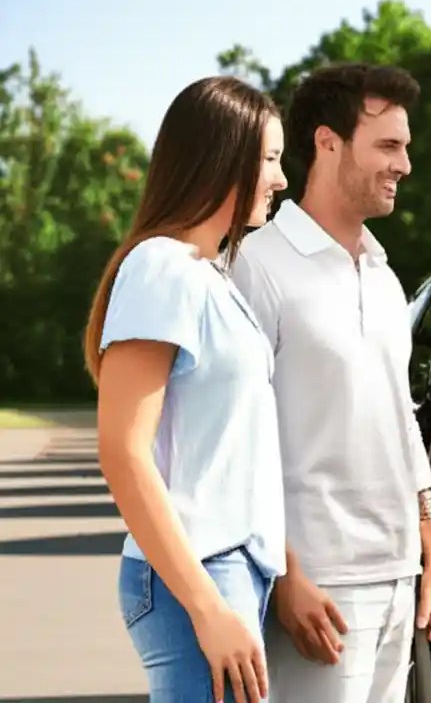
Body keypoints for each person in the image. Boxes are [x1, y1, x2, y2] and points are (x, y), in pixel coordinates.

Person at [227, 62, 431, 703]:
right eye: (387, 145)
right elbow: (236, 440)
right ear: (328, 143)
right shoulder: (257, 267)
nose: (404, 165)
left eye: (404, 147)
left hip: (399, 580)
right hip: (318, 587)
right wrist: (286, 576)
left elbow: (399, 424)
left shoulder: (384, 278)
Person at [85, 75, 289, 703]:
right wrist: (207, 606)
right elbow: (123, 451)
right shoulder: (161, 268)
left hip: (229, 570)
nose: (282, 179)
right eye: (270, 159)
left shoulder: (210, 276)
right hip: (198, 574)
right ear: (223, 157)